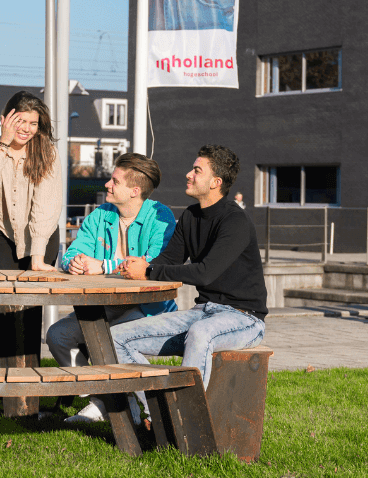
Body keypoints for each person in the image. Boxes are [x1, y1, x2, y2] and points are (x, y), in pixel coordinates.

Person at [113, 145, 266, 390]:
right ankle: (158, 411)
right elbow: (169, 261)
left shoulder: (235, 220)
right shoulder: (191, 216)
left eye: (197, 171)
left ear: (216, 182)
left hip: (244, 319)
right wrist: (141, 264)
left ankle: (188, 420)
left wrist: (149, 272)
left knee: (200, 333)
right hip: (202, 312)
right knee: (116, 338)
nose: (188, 174)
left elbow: (204, 273)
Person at [47, 152, 176, 423]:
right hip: (104, 306)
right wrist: (75, 264)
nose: (107, 184)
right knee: (58, 335)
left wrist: (104, 266)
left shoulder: (160, 216)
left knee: (111, 339)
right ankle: (107, 399)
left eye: (114, 181)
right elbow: (72, 253)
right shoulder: (100, 215)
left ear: (134, 190)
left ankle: (151, 413)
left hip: (148, 309)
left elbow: (153, 264)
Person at [0, 91, 63, 372]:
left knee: (31, 309)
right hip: (2, 234)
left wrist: (37, 256)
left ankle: (30, 383)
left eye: (33, 123)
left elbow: (45, 205)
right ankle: (8, 379)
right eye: (20, 121)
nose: (27, 129)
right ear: (4, 120)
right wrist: (4, 146)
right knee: (7, 308)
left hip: (42, 235)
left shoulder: (47, 152)